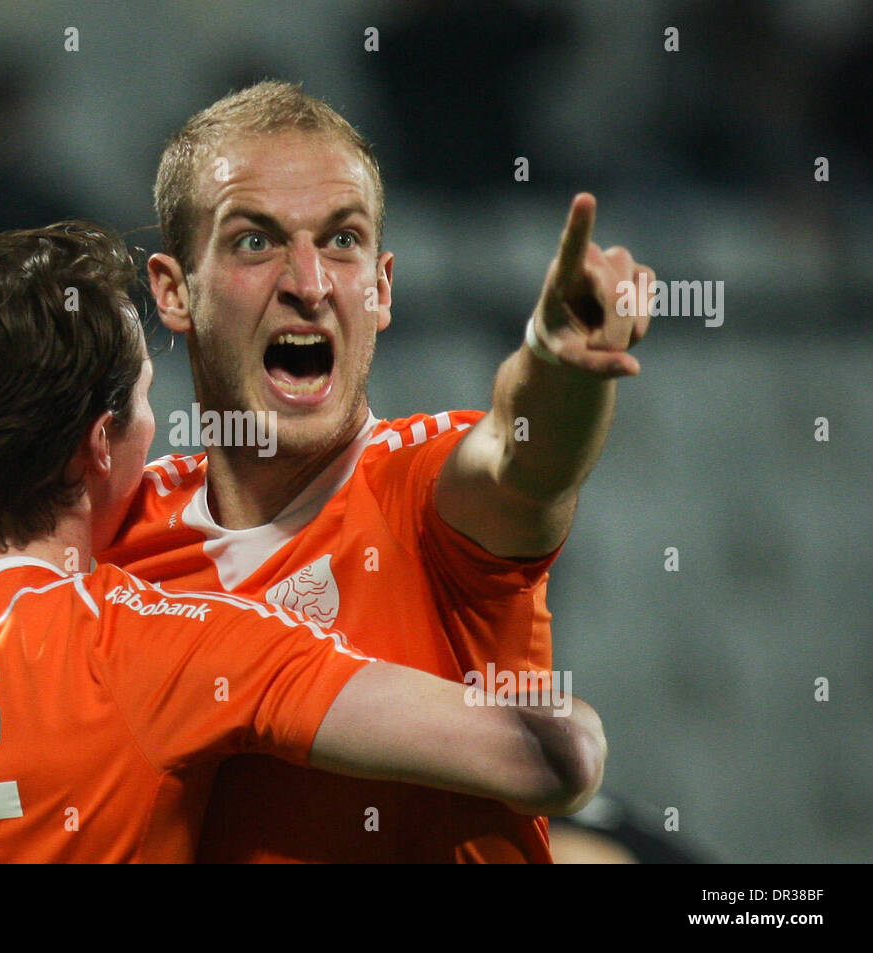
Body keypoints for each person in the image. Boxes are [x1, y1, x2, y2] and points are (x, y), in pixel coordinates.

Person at [0, 222, 605, 864]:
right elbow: (542, 760)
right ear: (99, 443)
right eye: (150, 402)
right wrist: (562, 722)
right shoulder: (159, 651)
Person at [101, 81, 654, 862]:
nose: (309, 281)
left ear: (382, 286)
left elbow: (524, 463)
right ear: (173, 289)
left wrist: (558, 364)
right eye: (254, 241)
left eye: (341, 240)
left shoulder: (424, 490)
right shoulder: (114, 551)